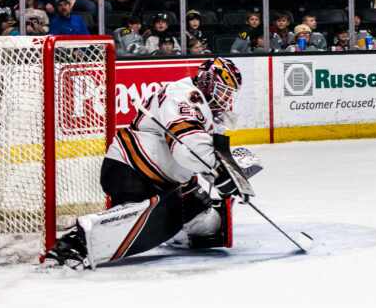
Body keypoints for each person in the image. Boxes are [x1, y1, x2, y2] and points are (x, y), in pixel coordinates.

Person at [43, 59, 246, 269]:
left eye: (229, 93)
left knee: (211, 224)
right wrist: (218, 171)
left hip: (170, 180)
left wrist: (230, 176)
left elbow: (208, 153)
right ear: (207, 81)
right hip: (134, 170)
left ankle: (175, 230)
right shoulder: (184, 94)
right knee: (138, 223)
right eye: (223, 90)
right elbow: (188, 146)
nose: (225, 98)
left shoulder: (207, 109)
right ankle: (73, 244)